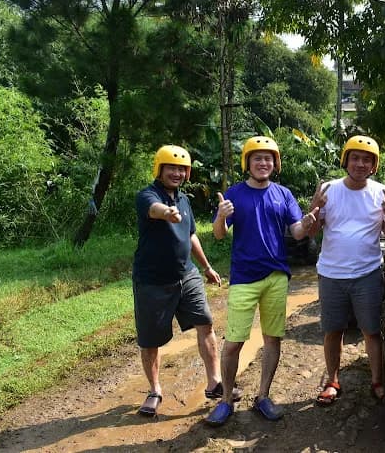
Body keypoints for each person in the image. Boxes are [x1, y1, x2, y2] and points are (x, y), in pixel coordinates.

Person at [206, 136, 319, 426]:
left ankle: (263, 396)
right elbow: (219, 234)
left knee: (272, 339)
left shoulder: (283, 194)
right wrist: (220, 217)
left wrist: (306, 224)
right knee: (233, 342)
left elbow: (296, 232)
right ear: (248, 163)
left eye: (268, 158)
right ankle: (227, 400)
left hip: (276, 276)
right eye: (257, 158)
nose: (263, 163)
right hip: (243, 277)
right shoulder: (234, 193)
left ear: (275, 163)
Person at [132, 145, 224, 417]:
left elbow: (191, 235)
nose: (177, 173)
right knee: (150, 341)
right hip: (152, 281)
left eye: (182, 168)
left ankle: (215, 382)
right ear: (159, 169)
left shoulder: (184, 199)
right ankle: (155, 390)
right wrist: (167, 213)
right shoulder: (147, 195)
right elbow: (155, 210)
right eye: (171, 167)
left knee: (205, 323)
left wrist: (206, 266)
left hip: (187, 275)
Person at [309, 135, 385, 405]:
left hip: (367, 273)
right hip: (331, 274)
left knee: (371, 331)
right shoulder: (328, 190)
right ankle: (332, 381)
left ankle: (377, 381)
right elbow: (312, 232)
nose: (360, 163)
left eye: (367, 159)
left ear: (374, 165)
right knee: (333, 330)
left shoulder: (382, 192)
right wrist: (315, 207)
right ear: (345, 160)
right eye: (356, 158)